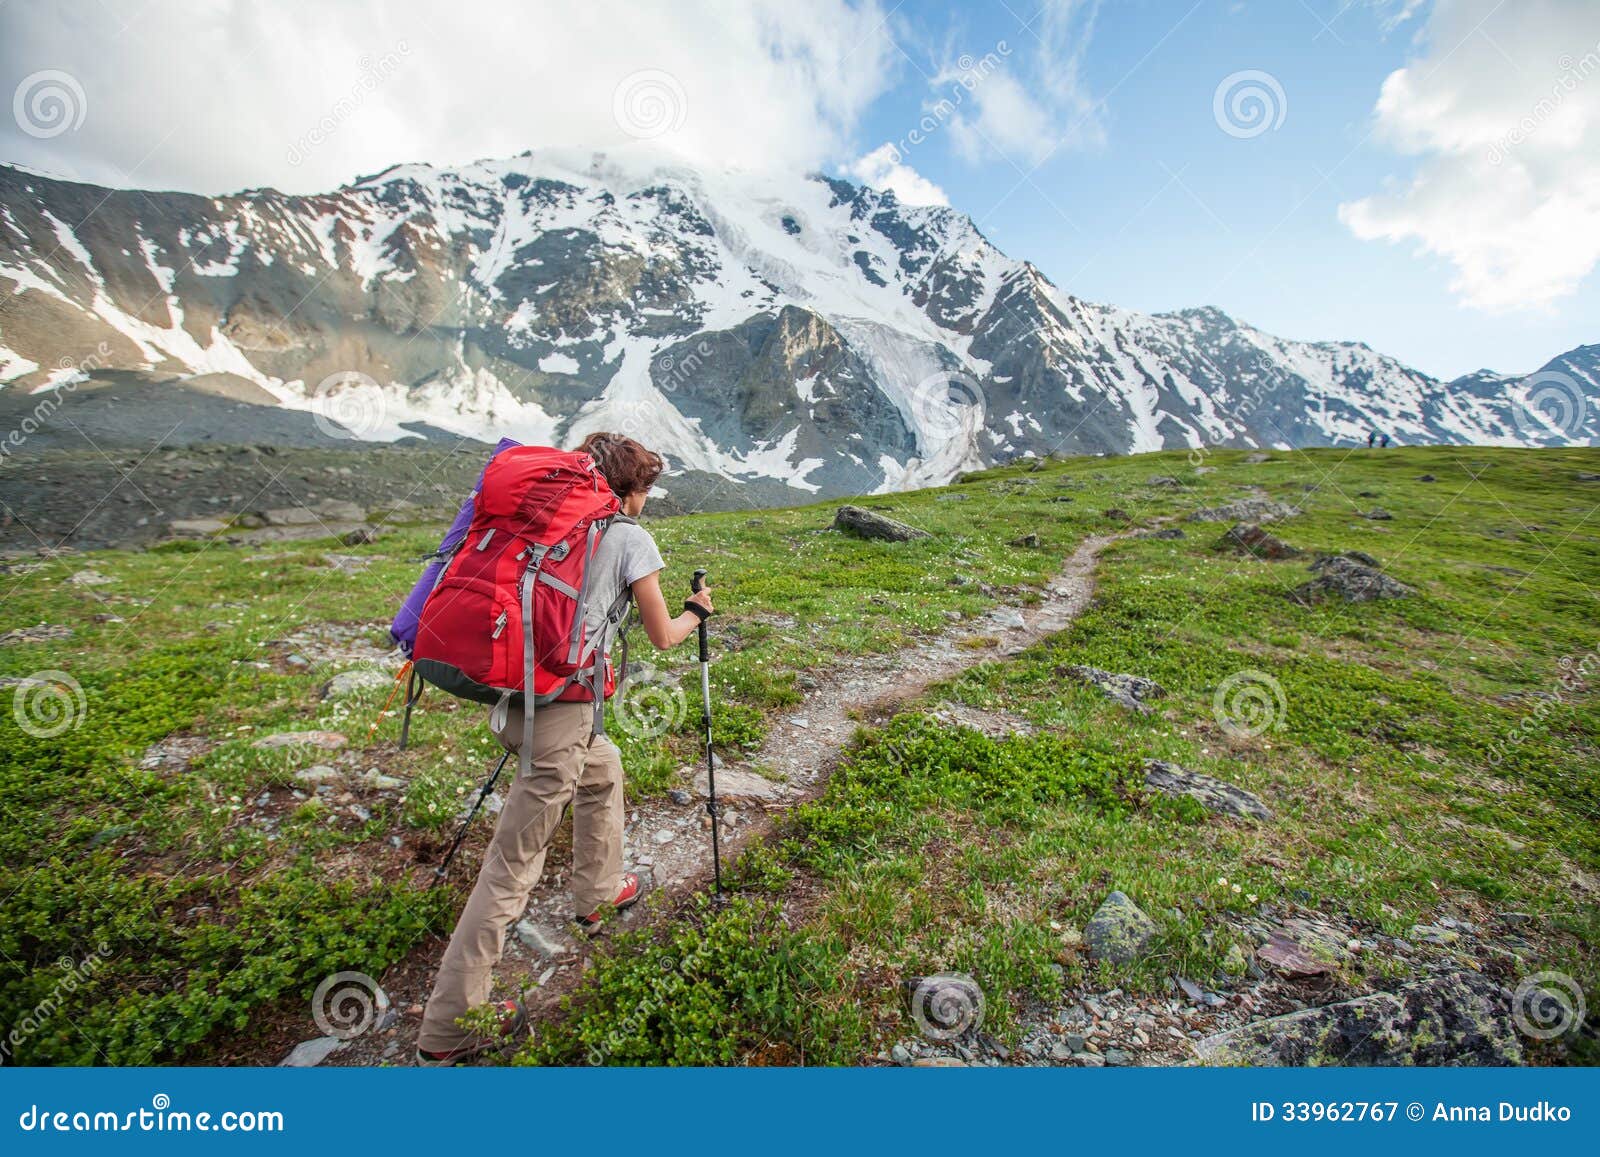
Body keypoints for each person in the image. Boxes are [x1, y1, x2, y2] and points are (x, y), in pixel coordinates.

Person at [415, 431, 715, 1065]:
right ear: (626, 490)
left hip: (512, 699)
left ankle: (599, 891)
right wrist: (697, 612)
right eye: (643, 492)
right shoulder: (628, 536)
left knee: (602, 769)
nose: (644, 503)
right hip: (559, 711)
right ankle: (450, 1024)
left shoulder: (539, 527)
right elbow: (662, 637)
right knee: (512, 864)